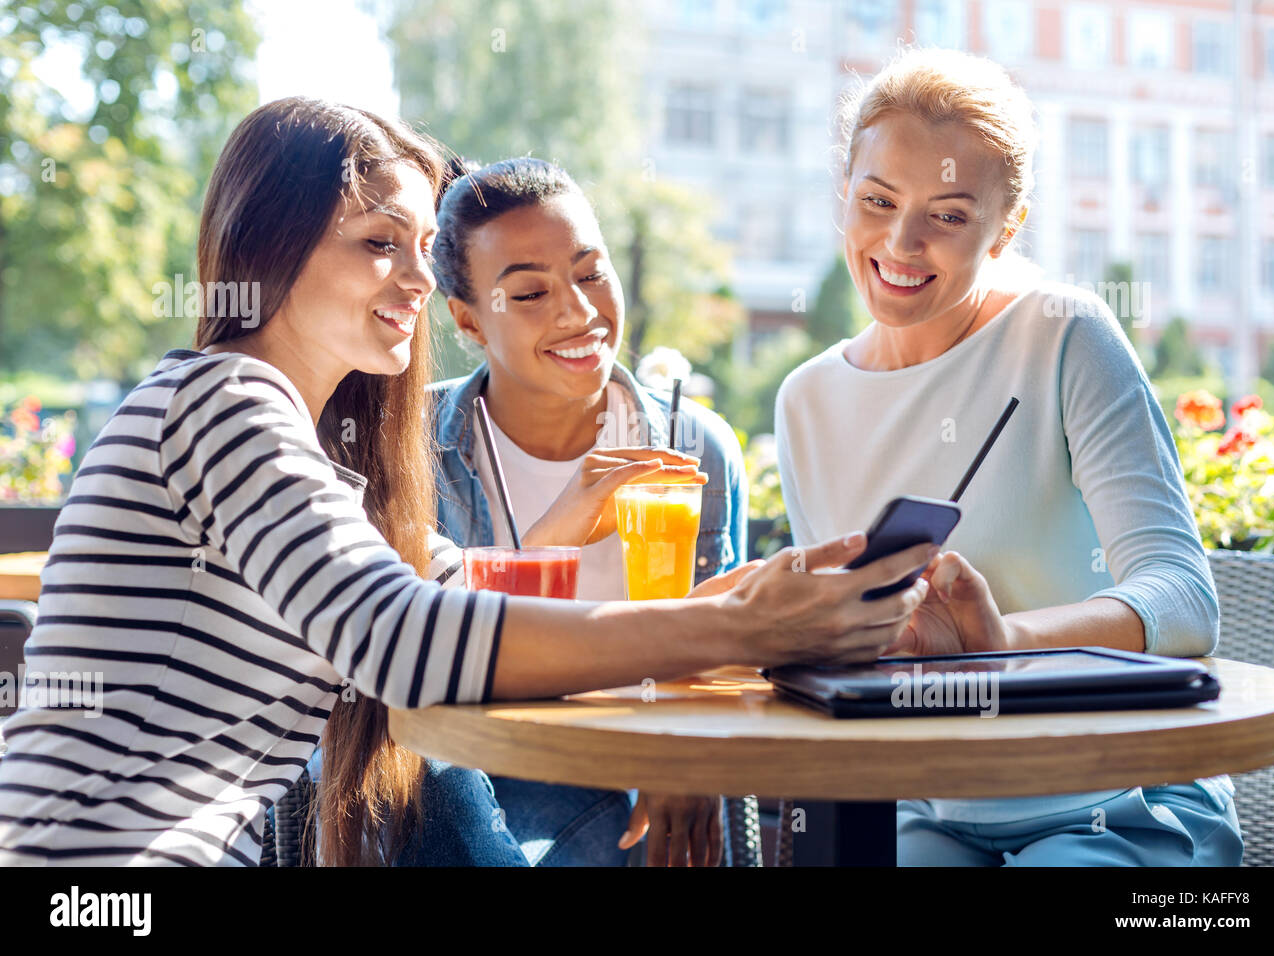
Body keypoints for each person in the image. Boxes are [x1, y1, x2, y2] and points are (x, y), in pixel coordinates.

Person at [0, 96, 935, 866]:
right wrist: (731, 628)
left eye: (419, 245)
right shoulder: (221, 399)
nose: (414, 278)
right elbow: (403, 638)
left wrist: (753, 594)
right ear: (271, 245)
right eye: (378, 242)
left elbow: (467, 586)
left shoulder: (309, 446)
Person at [775, 48, 1243, 866]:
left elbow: (1185, 600)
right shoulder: (806, 401)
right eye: (877, 200)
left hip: (1122, 795)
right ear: (843, 192)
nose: (901, 241)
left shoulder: (1064, 334)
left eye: (949, 215)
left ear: (1008, 225)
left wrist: (1002, 644)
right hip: (934, 806)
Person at [407, 157, 747, 866]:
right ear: (467, 320)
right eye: (529, 293)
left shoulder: (698, 449)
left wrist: (686, 754)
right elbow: (416, 662)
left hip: (640, 780)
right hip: (465, 788)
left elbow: (728, 648)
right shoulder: (414, 445)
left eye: (591, 272)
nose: (580, 312)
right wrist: (556, 529)